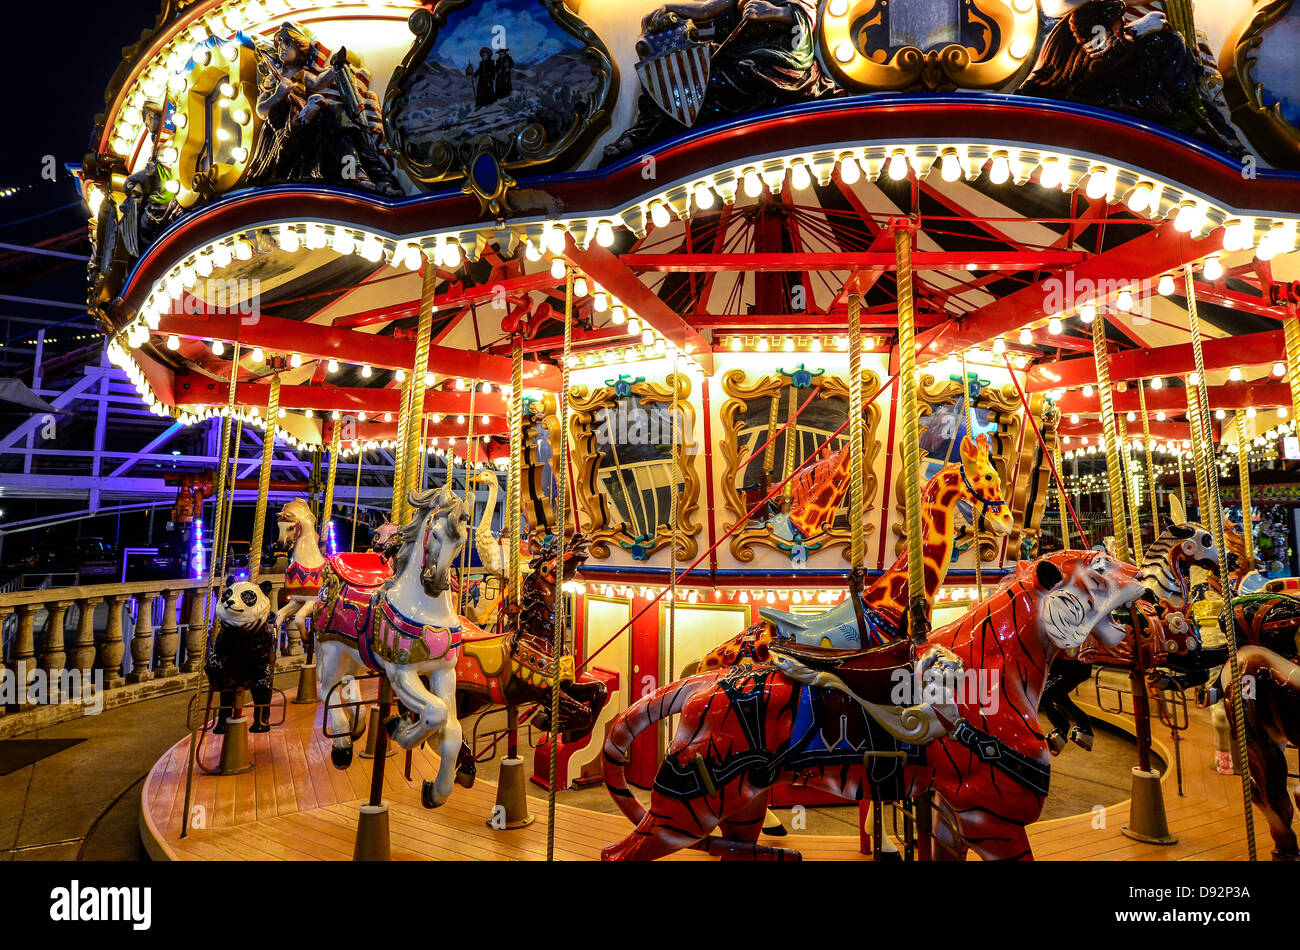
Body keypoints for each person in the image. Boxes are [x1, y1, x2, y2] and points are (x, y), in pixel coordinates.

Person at [603, 0, 831, 162]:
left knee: (724, 81)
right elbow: (708, 9)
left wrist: (772, 11)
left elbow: (803, 14)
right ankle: (643, 132)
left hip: (778, 57)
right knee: (683, 73)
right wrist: (669, 7)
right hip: (743, 50)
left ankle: (649, 136)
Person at [1021, 0, 1244, 155]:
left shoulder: (1110, 11)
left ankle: (1200, 125)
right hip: (1085, 82)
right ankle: (1179, 119)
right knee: (1165, 45)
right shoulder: (1090, 14)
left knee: (1173, 47)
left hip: (1119, 66)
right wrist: (1140, 28)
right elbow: (1102, 51)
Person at [247, 22, 401, 194]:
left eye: (287, 43)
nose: (282, 47)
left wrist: (335, 68)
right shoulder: (273, 79)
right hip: (283, 130)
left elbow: (318, 82)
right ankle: (357, 173)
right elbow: (261, 110)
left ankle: (355, 172)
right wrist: (277, 95)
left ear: (299, 47)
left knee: (338, 116)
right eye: (279, 43)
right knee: (318, 104)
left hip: (303, 123)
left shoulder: (301, 74)